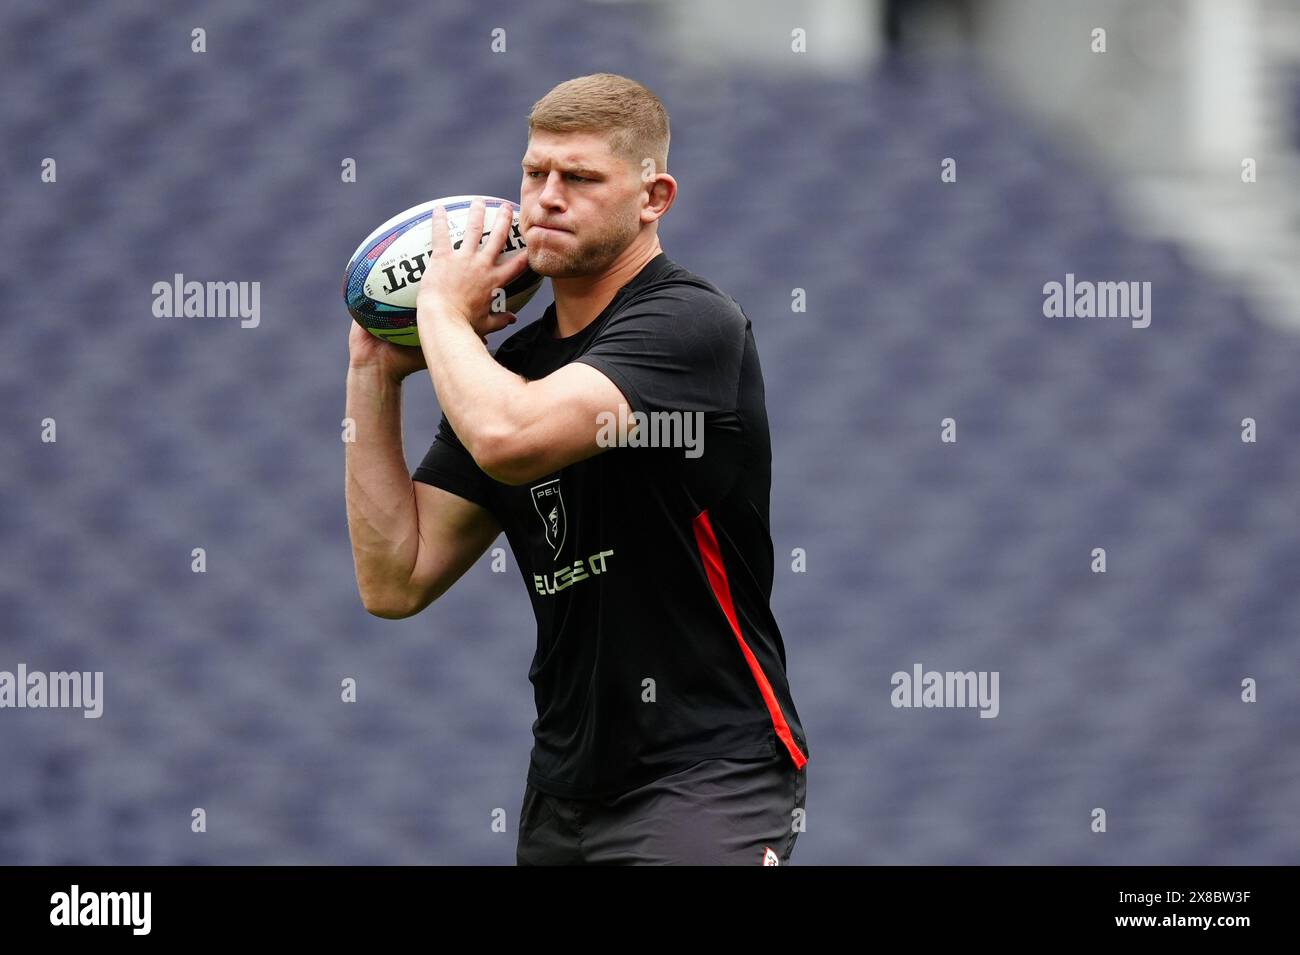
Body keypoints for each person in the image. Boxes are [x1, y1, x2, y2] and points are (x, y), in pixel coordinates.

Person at [344, 73, 809, 865]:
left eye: (581, 178)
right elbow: (396, 577)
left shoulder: (689, 321)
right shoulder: (514, 366)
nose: (546, 198)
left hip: (707, 774)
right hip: (565, 790)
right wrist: (373, 376)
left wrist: (439, 310)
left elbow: (508, 437)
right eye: (534, 174)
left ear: (653, 196)